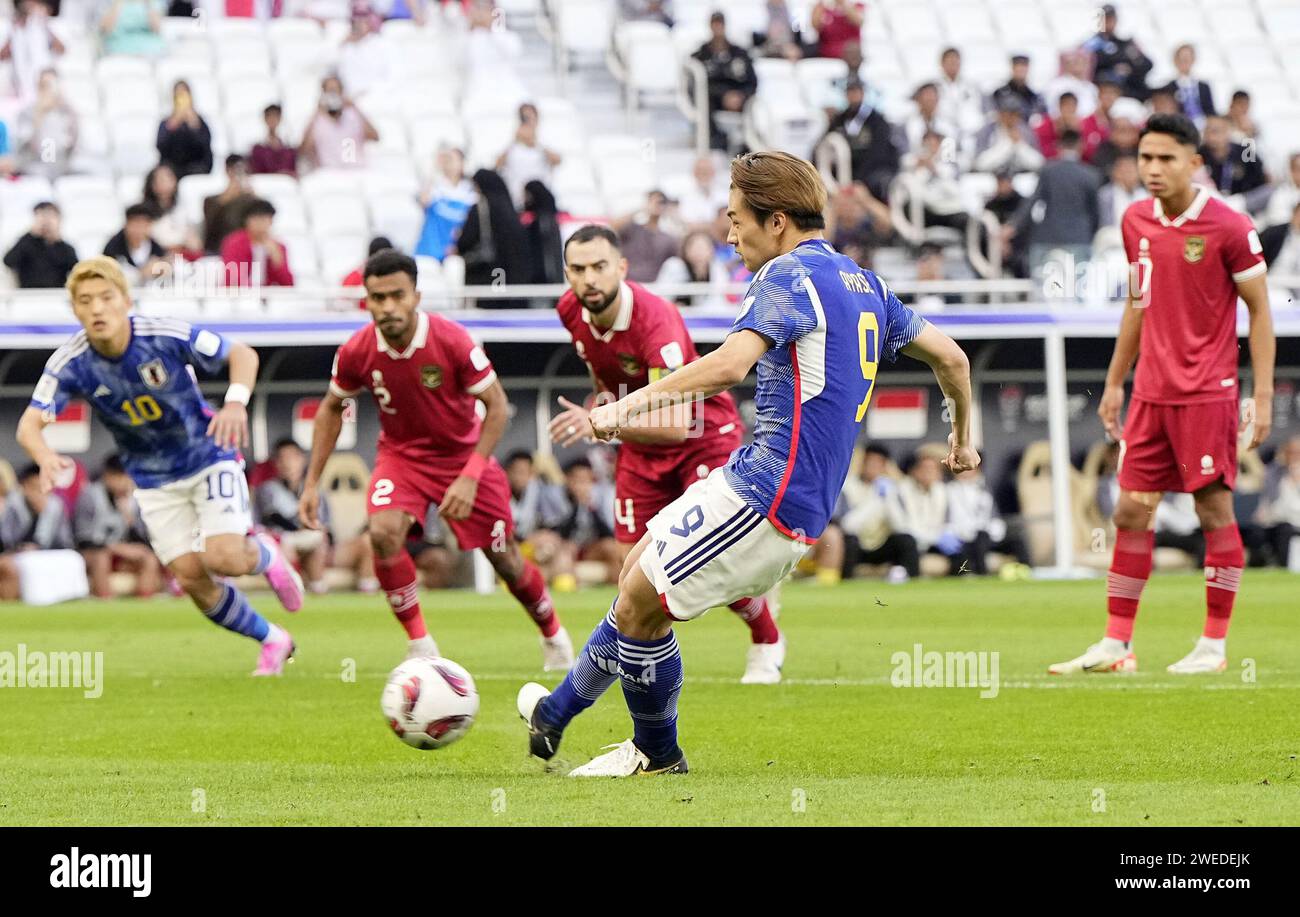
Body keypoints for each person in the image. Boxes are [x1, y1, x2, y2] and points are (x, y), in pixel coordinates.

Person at [516, 150, 978, 776]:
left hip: (769, 496)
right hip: (764, 483)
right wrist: (963, 440)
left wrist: (618, 413)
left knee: (637, 606)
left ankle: (655, 751)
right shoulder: (865, 283)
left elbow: (729, 366)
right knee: (634, 577)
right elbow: (952, 359)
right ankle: (559, 712)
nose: (729, 235)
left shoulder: (787, 276)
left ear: (779, 221)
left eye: (737, 220)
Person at [1050, 113, 1275, 676]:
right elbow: (1137, 303)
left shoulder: (1228, 226)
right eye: (1145, 158)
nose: (1152, 168)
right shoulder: (1135, 221)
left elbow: (1261, 311)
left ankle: (1213, 646)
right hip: (1150, 392)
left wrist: (1263, 395)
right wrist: (1114, 380)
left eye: (1166, 158)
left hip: (1207, 393)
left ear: (1194, 163)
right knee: (1130, 510)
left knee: (1213, 508)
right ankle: (1117, 643)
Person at [15, 257, 304, 675]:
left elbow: (242, 354)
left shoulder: (164, 334)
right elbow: (28, 426)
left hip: (209, 455)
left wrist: (236, 402)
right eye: (85, 301)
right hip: (152, 480)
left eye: (106, 298)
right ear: (75, 309)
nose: (97, 308)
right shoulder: (70, 363)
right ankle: (272, 639)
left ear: (126, 300)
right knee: (191, 578)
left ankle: (265, 555)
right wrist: (43, 456)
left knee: (223, 558)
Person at [297, 250, 574, 670]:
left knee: (506, 560)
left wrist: (470, 475)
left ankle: (553, 633)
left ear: (416, 295)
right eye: (377, 298)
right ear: (366, 300)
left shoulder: (452, 340)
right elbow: (331, 408)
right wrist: (312, 482)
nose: (388, 307)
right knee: (383, 532)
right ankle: (420, 645)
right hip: (401, 457)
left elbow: (497, 407)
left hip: (463, 457)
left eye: (397, 296)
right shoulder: (356, 350)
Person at [549, 223, 786, 683]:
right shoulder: (569, 311)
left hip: (700, 431)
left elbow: (676, 424)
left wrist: (601, 421)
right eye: (578, 269)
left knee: (702, 557)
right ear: (567, 274)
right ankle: (648, 667)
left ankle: (766, 636)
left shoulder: (654, 320)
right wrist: (606, 415)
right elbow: (606, 379)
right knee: (632, 568)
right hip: (636, 438)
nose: (589, 279)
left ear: (621, 267)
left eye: (600, 267)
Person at [74, 453, 162, 598]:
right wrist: (113, 547)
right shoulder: (90, 495)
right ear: (108, 476)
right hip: (92, 552)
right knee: (101, 558)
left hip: (121, 550)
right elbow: (83, 537)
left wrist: (130, 519)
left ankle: (145, 602)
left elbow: (142, 536)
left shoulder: (134, 498)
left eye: (128, 477)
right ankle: (106, 601)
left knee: (148, 557)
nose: (125, 482)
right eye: (120, 477)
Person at [256, 439, 330, 595]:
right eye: (282, 458)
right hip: (278, 539)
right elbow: (273, 518)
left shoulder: (313, 489)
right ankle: (288, 592)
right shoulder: (268, 489)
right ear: (275, 463)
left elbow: (321, 523)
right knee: (285, 544)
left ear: (302, 459)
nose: (287, 463)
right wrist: (301, 526)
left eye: (292, 457)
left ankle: (318, 590)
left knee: (318, 540)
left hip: (307, 539)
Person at [838, 444, 919, 582]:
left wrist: (889, 498)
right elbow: (848, 526)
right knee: (849, 541)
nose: (874, 468)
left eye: (879, 464)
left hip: (882, 545)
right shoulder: (848, 486)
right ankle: (846, 582)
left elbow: (901, 526)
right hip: (858, 545)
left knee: (906, 540)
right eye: (870, 463)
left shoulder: (891, 488)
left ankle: (912, 582)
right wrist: (875, 499)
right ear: (862, 464)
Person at [456, 169, 532, 305]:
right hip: (510, 276)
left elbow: (465, 241)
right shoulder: (510, 210)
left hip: (488, 272)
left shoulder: (480, 209)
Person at [825, 78, 901, 203]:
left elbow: (879, 152)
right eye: (850, 92)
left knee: (879, 181)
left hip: (874, 169)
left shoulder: (877, 120)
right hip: (847, 170)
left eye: (856, 91)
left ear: (863, 93)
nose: (853, 95)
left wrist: (859, 178)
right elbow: (823, 143)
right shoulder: (840, 119)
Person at [691, 12, 757, 152]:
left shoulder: (739, 53)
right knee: (704, 99)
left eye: (720, 24)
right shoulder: (701, 55)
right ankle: (714, 141)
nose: (718, 28)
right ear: (710, 26)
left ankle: (750, 143)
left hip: (740, 97)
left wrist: (740, 96)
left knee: (756, 103)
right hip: (715, 98)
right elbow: (698, 85)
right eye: (715, 24)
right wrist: (724, 95)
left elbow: (752, 81)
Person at [298, 74, 379, 171]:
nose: (333, 95)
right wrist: (316, 112)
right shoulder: (318, 121)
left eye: (336, 90)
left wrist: (354, 107)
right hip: (329, 175)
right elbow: (303, 150)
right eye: (330, 91)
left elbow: (375, 137)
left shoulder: (353, 116)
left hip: (356, 172)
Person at [495, 103, 562, 210]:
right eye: (524, 118)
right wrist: (515, 140)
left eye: (531, 117)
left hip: (540, 200)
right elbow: (497, 165)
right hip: (516, 201)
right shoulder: (512, 143)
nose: (528, 122)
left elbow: (557, 160)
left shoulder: (544, 141)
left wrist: (535, 141)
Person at [15, 68, 78, 181]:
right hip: (33, 169)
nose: (47, 90)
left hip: (63, 168)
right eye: (43, 85)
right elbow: (24, 148)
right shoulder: (26, 113)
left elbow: (73, 145)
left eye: (51, 85)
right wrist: (39, 115)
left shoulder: (68, 113)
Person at [1199, 115, 1270, 214]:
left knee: (1268, 191)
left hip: (1243, 203)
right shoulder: (1198, 154)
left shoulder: (1245, 151)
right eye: (1207, 130)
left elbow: (1261, 181)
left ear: (1228, 131)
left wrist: (1241, 200)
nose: (1210, 135)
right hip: (1210, 204)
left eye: (1215, 131)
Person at [415, 147, 476, 261]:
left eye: (452, 158)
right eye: (446, 159)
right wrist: (433, 168)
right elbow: (423, 201)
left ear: (462, 163)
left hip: (457, 252)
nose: (448, 162)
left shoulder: (470, 191)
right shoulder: (436, 187)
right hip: (430, 251)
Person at [1083, 3, 1152, 101]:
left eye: (1110, 19)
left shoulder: (1126, 43)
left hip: (1129, 94)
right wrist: (1115, 66)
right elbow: (1091, 66)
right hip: (1101, 95)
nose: (1107, 22)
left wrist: (1129, 68)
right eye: (1104, 18)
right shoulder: (1091, 45)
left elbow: (1147, 64)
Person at [220, 198, 294, 288]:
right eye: (255, 219)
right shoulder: (235, 243)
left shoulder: (278, 247)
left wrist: (277, 260)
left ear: (271, 221)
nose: (259, 224)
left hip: (267, 297)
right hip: (240, 296)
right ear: (246, 221)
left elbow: (288, 283)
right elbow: (233, 279)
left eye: (263, 219)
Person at [1, 0, 65, 102]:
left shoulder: (49, 25)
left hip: (43, 85)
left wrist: (45, 25)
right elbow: (2, 56)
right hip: (19, 88)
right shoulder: (12, 27)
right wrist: (13, 30)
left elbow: (62, 50)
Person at [611, 190, 681, 282]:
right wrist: (642, 209)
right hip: (628, 283)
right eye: (652, 201)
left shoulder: (668, 238)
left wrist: (672, 214)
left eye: (660, 202)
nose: (656, 205)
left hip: (655, 287)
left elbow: (682, 256)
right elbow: (613, 226)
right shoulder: (632, 228)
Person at [3, 201, 78, 288]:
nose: (46, 222)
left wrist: (57, 240)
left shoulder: (65, 248)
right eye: (42, 216)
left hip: (57, 295)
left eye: (51, 216)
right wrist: (31, 234)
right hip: (27, 295)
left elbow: (75, 269)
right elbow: (8, 261)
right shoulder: (26, 243)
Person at [1, 463, 73, 552]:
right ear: (24, 486)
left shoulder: (55, 505)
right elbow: (6, 541)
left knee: (74, 559)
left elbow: (64, 542)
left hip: (46, 555)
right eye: (35, 488)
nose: (40, 494)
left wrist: (41, 515)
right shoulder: (12, 503)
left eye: (44, 489)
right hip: (15, 555)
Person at [156, 80, 213, 179]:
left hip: (196, 168)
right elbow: (161, 146)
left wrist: (194, 125)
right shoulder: (166, 123)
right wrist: (173, 124)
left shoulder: (199, 122)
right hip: (173, 169)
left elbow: (205, 146)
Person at [974, 97, 1044, 174]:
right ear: (1000, 113)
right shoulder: (987, 131)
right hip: (992, 175)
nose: (1011, 118)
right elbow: (980, 165)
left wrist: (1019, 145)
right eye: (1008, 114)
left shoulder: (1026, 131)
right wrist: (1007, 145)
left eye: (1015, 114)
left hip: (1020, 174)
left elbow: (1039, 163)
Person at [103, 203, 169, 285]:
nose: (139, 230)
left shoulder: (156, 247)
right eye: (135, 224)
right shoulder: (113, 248)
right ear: (126, 224)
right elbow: (106, 273)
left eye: (144, 225)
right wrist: (141, 274)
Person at [202, 155, 255, 255]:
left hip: (247, 249)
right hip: (219, 250)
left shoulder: (252, 201)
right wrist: (226, 198)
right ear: (227, 171)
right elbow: (210, 229)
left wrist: (254, 198)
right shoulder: (210, 200)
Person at [1161, 44, 1215, 128]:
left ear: (1193, 60)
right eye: (1181, 59)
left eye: (1187, 59)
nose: (1184, 62)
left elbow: (1211, 111)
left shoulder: (1204, 87)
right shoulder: (1168, 88)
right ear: (1175, 61)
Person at [99, 0, 165, 59]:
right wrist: (118, 3)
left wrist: (148, 4)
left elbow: (157, 29)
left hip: (150, 49)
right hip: (119, 48)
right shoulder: (109, 2)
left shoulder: (152, 2)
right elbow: (105, 30)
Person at [1098, 152, 1147, 230]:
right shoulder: (1105, 195)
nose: (1129, 174)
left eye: (1132, 170)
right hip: (1113, 236)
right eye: (1125, 170)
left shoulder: (1147, 195)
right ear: (1115, 173)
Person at [248, 104, 298, 177]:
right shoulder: (258, 149)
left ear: (280, 119)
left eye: (275, 116)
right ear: (265, 119)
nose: (272, 120)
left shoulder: (288, 149)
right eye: (269, 116)